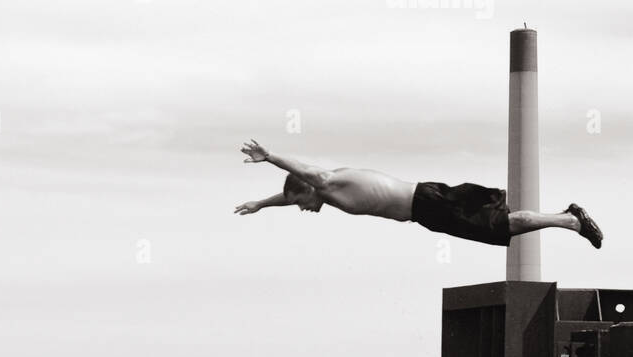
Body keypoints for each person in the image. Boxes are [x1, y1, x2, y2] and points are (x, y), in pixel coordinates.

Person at [234, 139, 603, 249]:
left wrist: (270, 158)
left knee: (499, 226)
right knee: (498, 225)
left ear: (310, 189)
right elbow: (290, 193)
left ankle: (569, 219)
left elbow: (306, 174)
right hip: (427, 205)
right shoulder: (324, 195)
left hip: (428, 204)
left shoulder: (327, 182)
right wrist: (261, 205)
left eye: (301, 202)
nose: (301, 209)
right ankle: (567, 220)